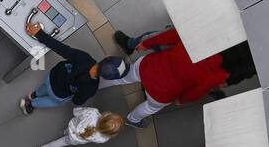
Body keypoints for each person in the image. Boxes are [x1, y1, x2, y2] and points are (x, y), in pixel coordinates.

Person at [106, 27, 257, 128]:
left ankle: (101, 81)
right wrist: (181, 100)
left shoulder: (202, 39)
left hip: (149, 66)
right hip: (162, 93)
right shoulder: (221, 75)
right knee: (149, 107)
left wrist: (146, 43)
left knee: (126, 76)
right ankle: (133, 120)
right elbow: (196, 92)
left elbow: (170, 35)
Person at [17, 21, 111, 114]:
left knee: (45, 86)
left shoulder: (85, 58)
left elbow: (61, 48)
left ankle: (34, 94)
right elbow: (77, 101)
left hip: (52, 76)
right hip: (59, 95)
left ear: (105, 58)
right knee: (53, 102)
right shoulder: (92, 88)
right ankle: (30, 104)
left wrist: (39, 34)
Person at [35, 107, 125, 147]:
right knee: (61, 142)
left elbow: (76, 111)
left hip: (72, 126)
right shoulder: (103, 139)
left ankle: (64, 132)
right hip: (76, 139)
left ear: (106, 115)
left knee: (68, 130)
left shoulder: (93, 112)